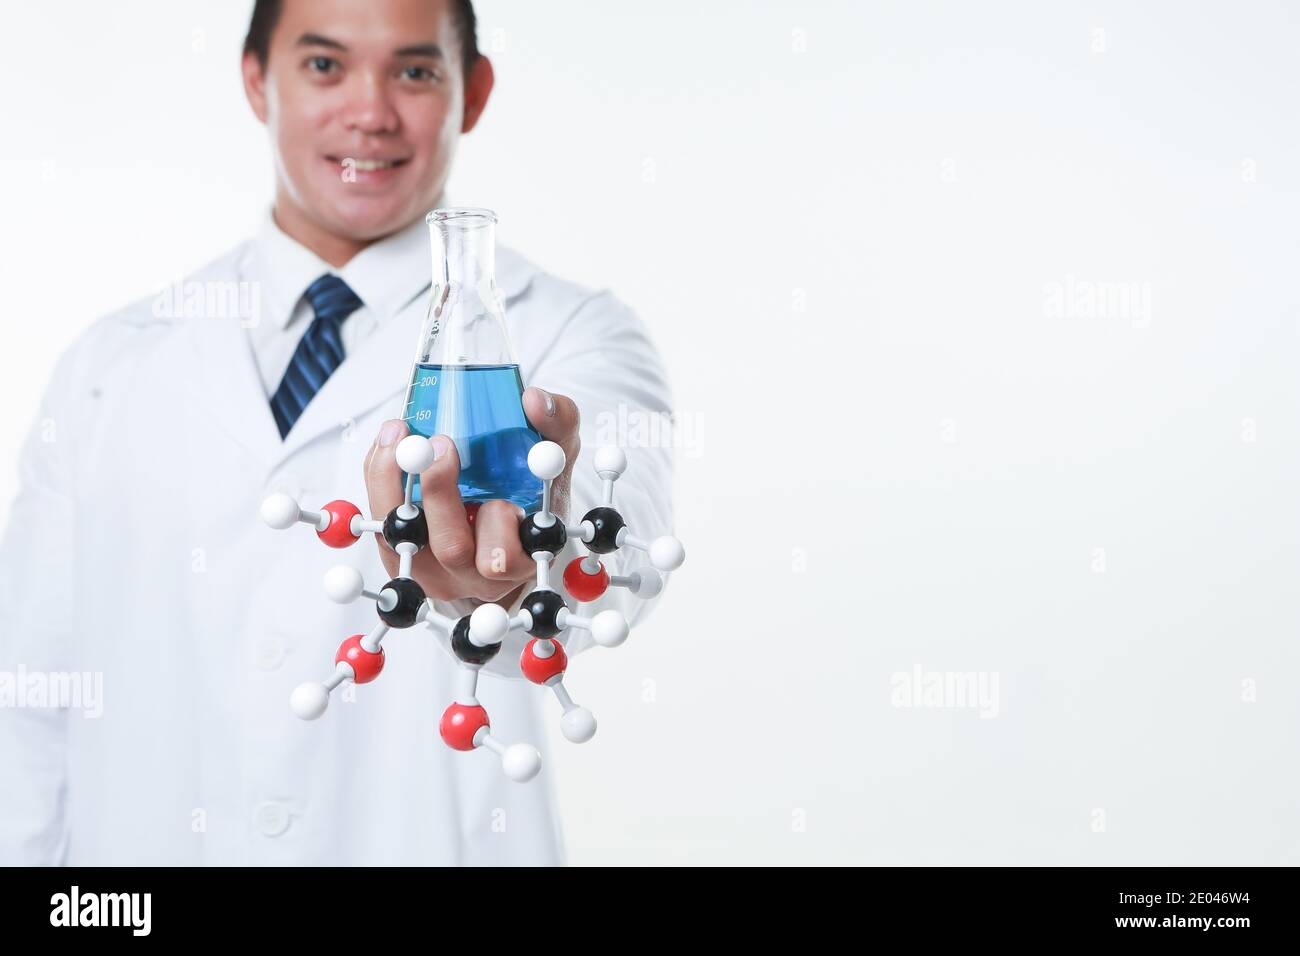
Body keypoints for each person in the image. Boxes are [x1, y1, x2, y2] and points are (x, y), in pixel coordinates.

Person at [0, 0, 673, 865]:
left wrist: (522, 572)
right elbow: (27, 694)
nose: (370, 111)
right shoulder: (109, 362)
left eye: (415, 71)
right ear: (256, 82)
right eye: (324, 66)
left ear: (473, 92)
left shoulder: (573, 333)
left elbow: (624, 553)